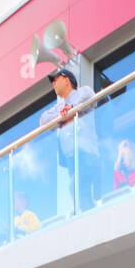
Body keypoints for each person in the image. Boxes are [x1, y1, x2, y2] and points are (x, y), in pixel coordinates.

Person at [39, 68, 101, 214]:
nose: (53, 83)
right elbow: (43, 120)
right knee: (79, 189)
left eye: (56, 79)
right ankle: (87, 214)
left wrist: (70, 110)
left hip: (87, 152)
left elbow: (88, 98)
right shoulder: (59, 106)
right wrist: (64, 116)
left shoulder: (82, 91)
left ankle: (88, 216)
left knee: (76, 188)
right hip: (71, 158)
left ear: (67, 80)